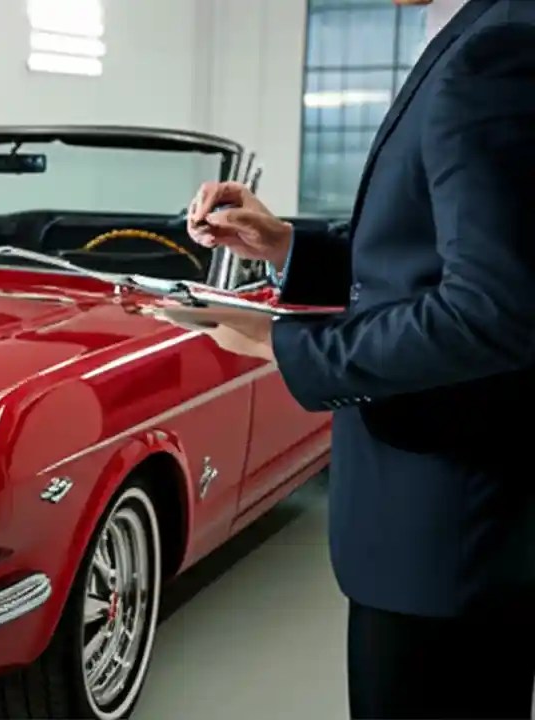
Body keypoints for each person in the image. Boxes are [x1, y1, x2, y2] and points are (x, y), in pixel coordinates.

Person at [182, 0, 535, 717]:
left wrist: (283, 342)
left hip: (443, 536)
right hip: (451, 533)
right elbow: (421, 261)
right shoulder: (484, 33)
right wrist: (287, 246)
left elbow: (494, 311)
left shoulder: (495, 47)